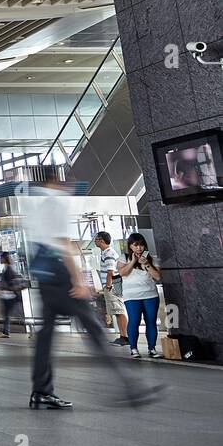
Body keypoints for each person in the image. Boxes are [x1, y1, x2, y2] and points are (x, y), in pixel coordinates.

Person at [26, 170, 161, 409]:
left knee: (45, 337)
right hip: (60, 278)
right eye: (65, 182)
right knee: (94, 330)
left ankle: (41, 391)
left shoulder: (36, 206)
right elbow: (63, 244)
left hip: (45, 281)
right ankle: (131, 387)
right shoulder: (55, 204)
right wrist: (78, 280)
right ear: (55, 182)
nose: (69, 187)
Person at [120, 233, 163, 359]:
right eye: (136, 245)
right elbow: (122, 272)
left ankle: (152, 348)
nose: (139, 248)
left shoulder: (151, 258)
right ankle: (133, 348)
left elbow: (157, 276)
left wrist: (147, 264)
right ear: (130, 246)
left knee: (151, 321)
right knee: (134, 320)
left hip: (150, 295)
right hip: (132, 296)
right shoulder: (124, 257)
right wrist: (133, 261)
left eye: (141, 245)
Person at [0, 251, 24, 338]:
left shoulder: (9, 269)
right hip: (8, 295)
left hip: (9, 295)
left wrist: (3, 287)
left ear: (4, 258)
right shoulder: (8, 268)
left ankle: (6, 332)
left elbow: (11, 283)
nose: (0, 259)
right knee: (7, 313)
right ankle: (5, 332)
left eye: (1, 258)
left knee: (10, 314)